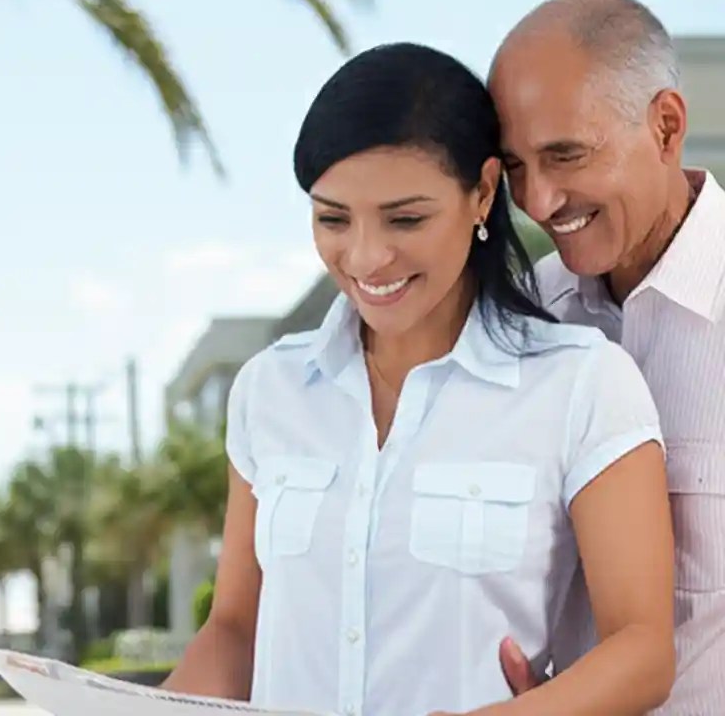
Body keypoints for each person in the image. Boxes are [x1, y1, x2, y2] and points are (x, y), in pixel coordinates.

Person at [158, 41, 676, 716]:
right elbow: (234, 630)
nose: (367, 256)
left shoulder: (581, 384)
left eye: (406, 218)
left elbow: (642, 650)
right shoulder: (268, 390)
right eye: (332, 219)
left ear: (483, 192)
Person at [488, 0, 725, 712]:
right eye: (515, 168)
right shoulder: (521, 324)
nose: (539, 198)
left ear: (665, 126)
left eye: (566, 155)